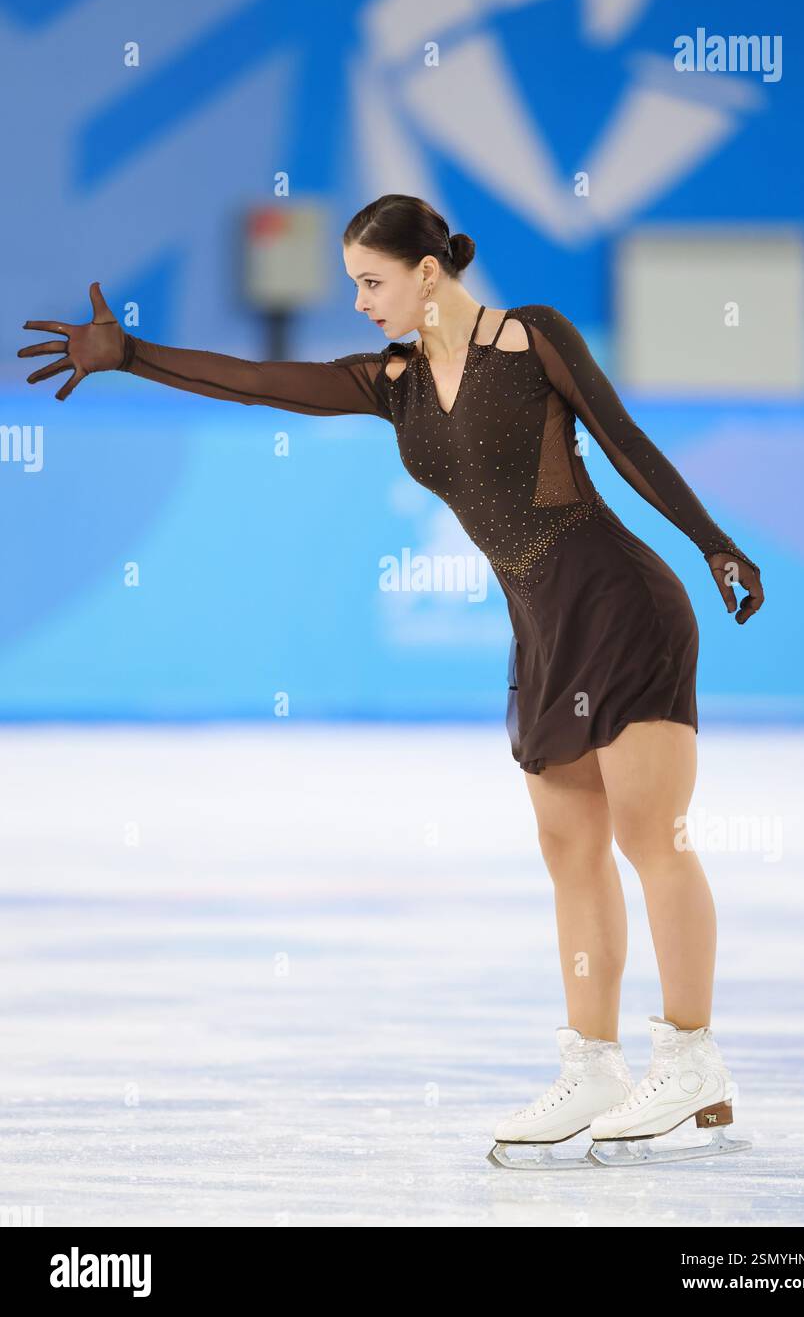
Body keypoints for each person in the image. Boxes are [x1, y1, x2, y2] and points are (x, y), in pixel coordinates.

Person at [19, 192, 764, 1168]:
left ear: (428, 268)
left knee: (646, 833)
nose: (362, 301)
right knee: (566, 846)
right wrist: (133, 356)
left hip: (622, 602)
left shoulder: (531, 337)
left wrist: (714, 544)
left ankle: (694, 1053)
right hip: (539, 626)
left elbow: (624, 442)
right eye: (353, 286)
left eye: (372, 281)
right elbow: (256, 381)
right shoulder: (394, 383)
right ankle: (595, 1063)